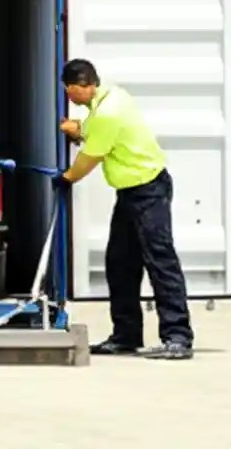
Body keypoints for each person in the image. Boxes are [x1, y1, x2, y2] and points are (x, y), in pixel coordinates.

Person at [54, 59, 195, 360]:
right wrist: (76, 129)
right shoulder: (109, 98)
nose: (69, 97)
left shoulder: (107, 111)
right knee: (120, 263)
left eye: (69, 92)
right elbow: (96, 132)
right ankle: (126, 335)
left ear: (81, 86)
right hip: (131, 193)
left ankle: (178, 337)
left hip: (148, 190)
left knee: (160, 261)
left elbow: (90, 158)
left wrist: (65, 179)